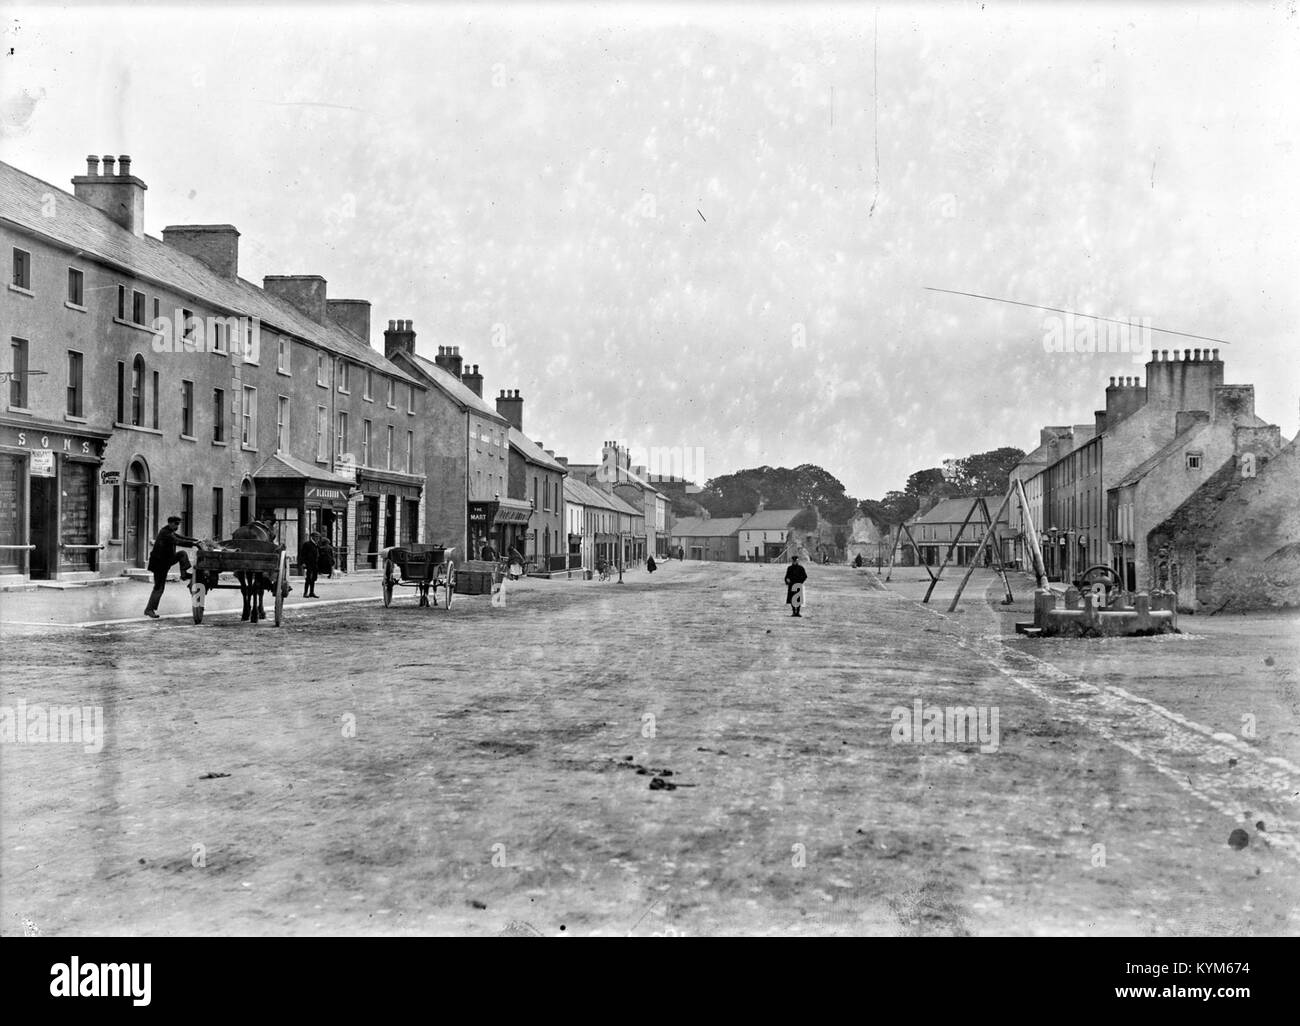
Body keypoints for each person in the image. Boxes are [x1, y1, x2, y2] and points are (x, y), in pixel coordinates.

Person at [144, 516, 198, 618]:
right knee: (159, 588)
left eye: (179, 524)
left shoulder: (170, 531)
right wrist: (194, 544)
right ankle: (149, 609)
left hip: (166, 561)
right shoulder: (165, 533)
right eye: (176, 524)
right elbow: (178, 541)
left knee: (182, 554)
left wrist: (196, 540)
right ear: (170, 523)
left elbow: (181, 537)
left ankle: (184, 574)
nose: (177, 526)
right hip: (159, 564)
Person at [784, 554, 808, 618]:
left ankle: (798, 612)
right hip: (791, 585)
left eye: (796, 561)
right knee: (792, 599)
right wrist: (787, 580)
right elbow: (786, 576)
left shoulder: (801, 568)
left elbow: (805, 576)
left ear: (797, 561)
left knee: (798, 600)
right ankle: (794, 611)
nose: (794, 562)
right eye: (793, 561)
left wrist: (801, 582)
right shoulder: (789, 568)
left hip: (798, 585)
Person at [300, 532, 321, 598]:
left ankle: (311, 592)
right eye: (316, 537)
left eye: (318, 537)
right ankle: (305, 593)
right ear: (312, 537)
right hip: (309, 564)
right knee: (308, 578)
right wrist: (303, 563)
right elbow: (302, 554)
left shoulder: (316, 545)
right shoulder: (307, 544)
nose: (318, 538)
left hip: (315, 564)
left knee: (314, 578)